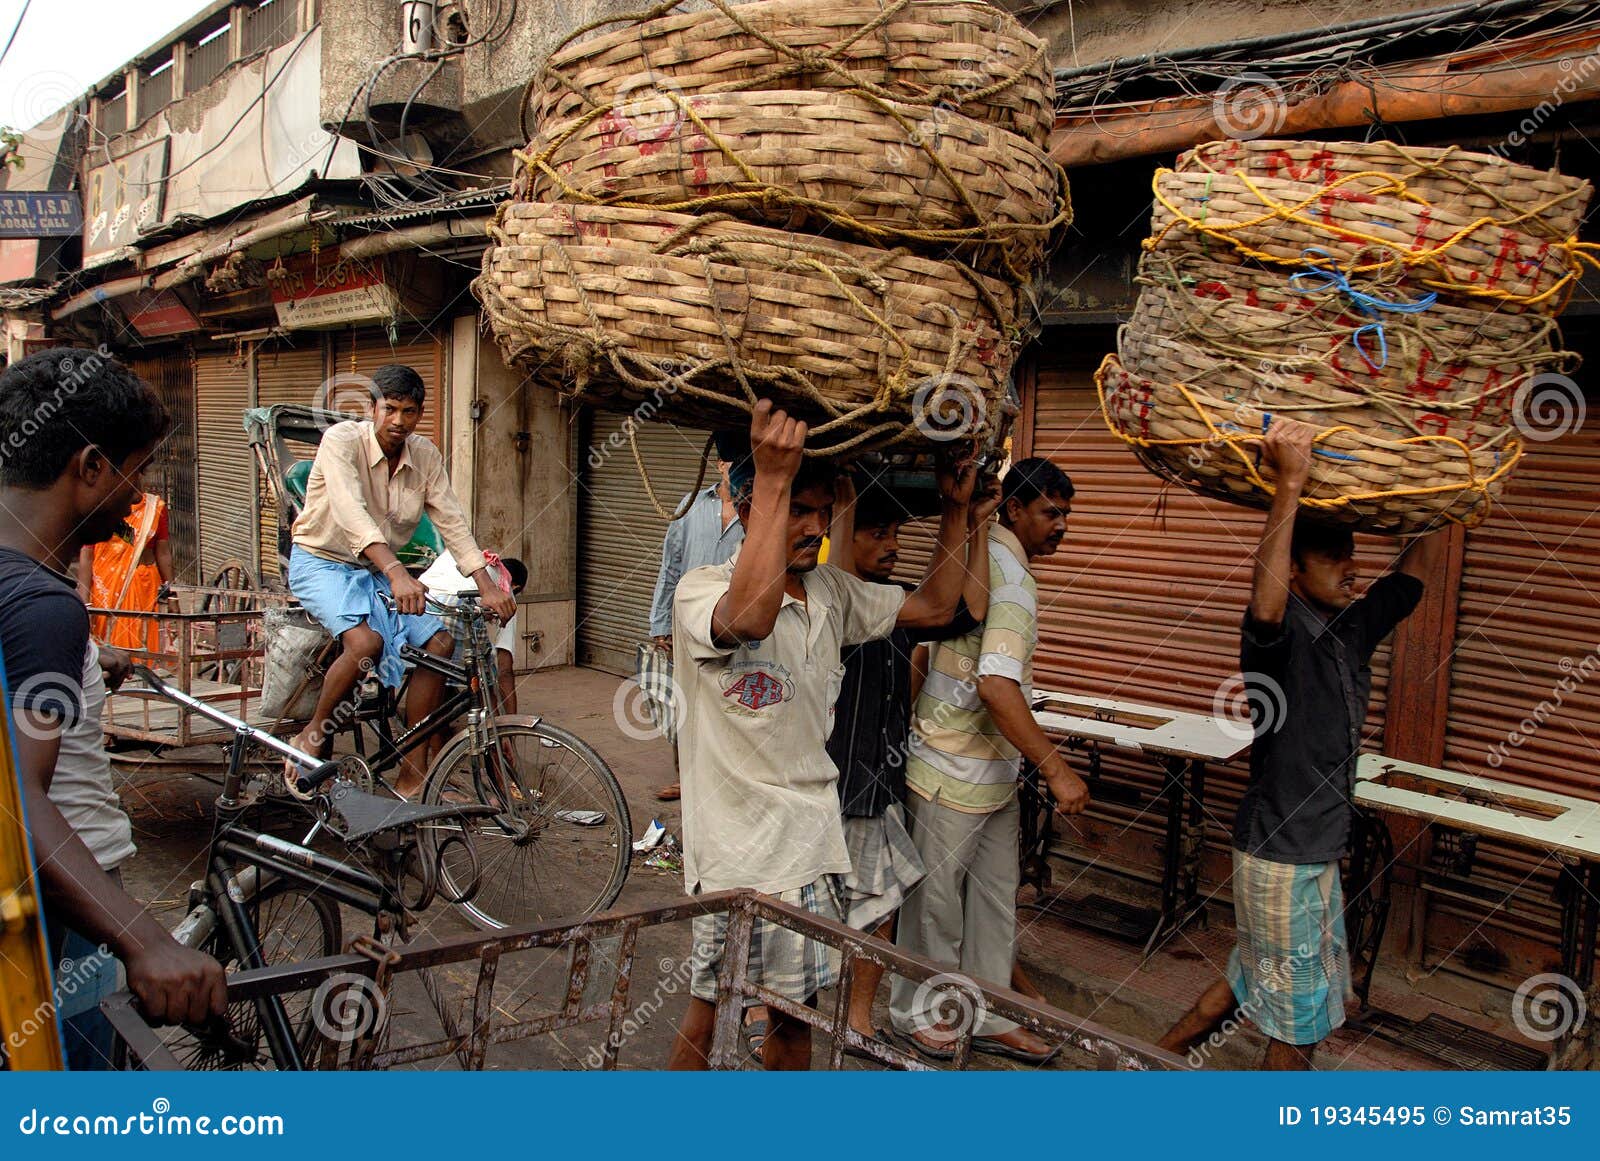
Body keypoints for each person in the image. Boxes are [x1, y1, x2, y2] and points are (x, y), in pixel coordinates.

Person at [667, 400, 982, 1071]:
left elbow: (936, 608)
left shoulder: (831, 593)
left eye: (821, 511)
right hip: (740, 856)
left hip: (811, 846)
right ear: (749, 509)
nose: (815, 528)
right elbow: (749, 619)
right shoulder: (701, 590)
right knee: (711, 1009)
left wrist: (956, 510)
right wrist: (773, 479)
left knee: (796, 1016)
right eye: (797, 511)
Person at [1158, 418, 1441, 1069]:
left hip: (1313, 854)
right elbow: (1263, 602)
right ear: (1292, 567)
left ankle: (1134, 1068)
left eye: (1352, 554)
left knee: (1243, 987)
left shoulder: (1352, 629)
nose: (1352, 567)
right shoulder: (1277, 638)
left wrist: (1437, 501)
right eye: (1334, 557)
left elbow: (1411, 578)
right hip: (1281, 858)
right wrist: (1289, 485)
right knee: (1299, 1025)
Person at [0, 348, 226, 1068]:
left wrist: (87, 660)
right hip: (60, 915)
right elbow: (14, 798)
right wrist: (143, 939)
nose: (141, 493)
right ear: (91, 467)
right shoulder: (43, 608)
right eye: (138, 468)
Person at [890, 456, 1089, 1065]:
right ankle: (921, 1014)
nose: (1061, 526)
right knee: (938, 906)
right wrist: (1056, 768)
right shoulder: (1010, 577)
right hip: (951, 772)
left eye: (1066, 515)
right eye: (1051, 513)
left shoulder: (990, 557)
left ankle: (989, 1014)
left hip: (987, 773)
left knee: (991, 903)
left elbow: (937, 654)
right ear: (1015, 509)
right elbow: (996, 686)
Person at [825, 469, 1003, 1049]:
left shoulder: (897, 603)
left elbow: (965, 609)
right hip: (827, 786)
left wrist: (972, 524)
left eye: (896, 534)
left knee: (879, 908)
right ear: (843, 535)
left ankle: (855, 1020)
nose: (893, 545)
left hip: (879, 784)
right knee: (799, 912)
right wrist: (843, 502)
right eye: (877, 534)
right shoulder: (824, 602)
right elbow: (840, 590)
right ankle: (762, 1011)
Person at [286, 365, 515, 798]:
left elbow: (451, 520)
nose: (398, 421)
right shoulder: (341, 441)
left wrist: (487, 585)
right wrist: (396, 574)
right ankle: (312, 734)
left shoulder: (424, 455)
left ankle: (412, 773)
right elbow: (351, 512)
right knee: (365, 644)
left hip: (374, 571)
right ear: (372, 408)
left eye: (408, 412)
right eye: (389, 409)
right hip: (321, 562)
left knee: (439, 644)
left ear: (419, 414)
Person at [646, 457, 743, 801]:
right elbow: (670, 566)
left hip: (734, 624)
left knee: (730, 702)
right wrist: (660, 622)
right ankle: (687, 779)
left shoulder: (758, 509)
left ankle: (724, 781)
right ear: (719, 465)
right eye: (732, 462)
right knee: (683, 701)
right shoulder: (690, 505)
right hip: (688, 621)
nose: (737, 469)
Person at [420, 550, 527, 715]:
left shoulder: (468, 555)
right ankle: (499, 726)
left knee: (433, 673)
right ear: (516, 587)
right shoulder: (505, 592)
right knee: (485, 678)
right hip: (454, 606)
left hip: (416, 604)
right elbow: (505, 668)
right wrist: (513, 718)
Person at [76, 489, 175, 652]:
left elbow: (163, 553)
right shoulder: (99, 506)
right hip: (107, 591)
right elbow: (86, 555)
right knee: (109, 647)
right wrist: (85, 604)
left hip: (145, 590)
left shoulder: (154, 508)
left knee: (147, 646)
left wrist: (172, 595)